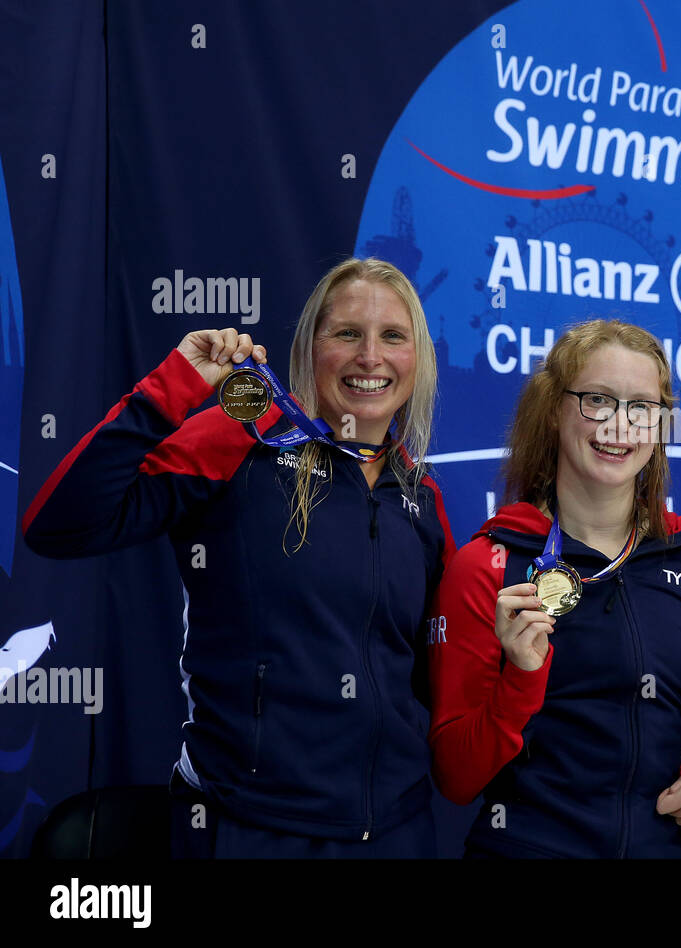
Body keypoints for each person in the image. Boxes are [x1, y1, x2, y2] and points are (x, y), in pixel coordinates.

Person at [23, 257, 455, 857]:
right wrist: (171, 388)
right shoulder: (242, 437)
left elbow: (435, 673)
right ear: (309, 346)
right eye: (348, 333)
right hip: (249, 827)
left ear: (419, 358)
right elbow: (60, 526)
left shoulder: (420, 494)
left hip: (398, 832)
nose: (370, 357)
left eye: (393, 337)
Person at [429, 319, 681, 857]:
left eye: (642, 406)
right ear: (554, 411)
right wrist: (521, 678)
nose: (620, 425)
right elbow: (456, 776)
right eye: (597, 400)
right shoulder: (489, 565)